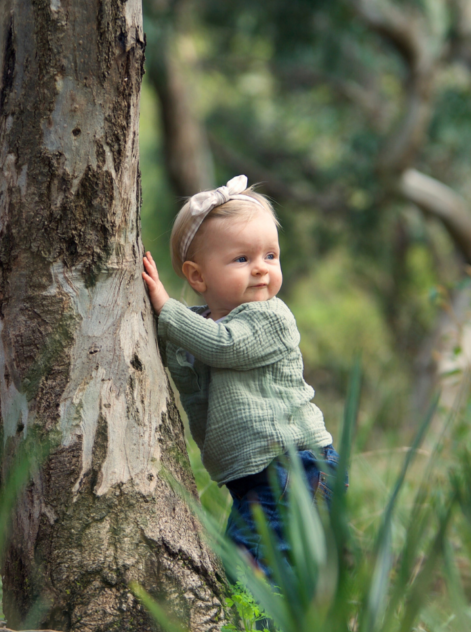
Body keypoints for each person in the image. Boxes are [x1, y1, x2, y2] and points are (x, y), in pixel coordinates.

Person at [141, 175, 345, 581]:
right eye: (242, 259)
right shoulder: (199, 326)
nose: (261, 270)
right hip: (260, 476)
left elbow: (225, 346)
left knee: (254, 564)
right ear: (198, 277)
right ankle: (289, 629)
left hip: (293, 465)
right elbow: (192, 375)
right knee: (257, 557)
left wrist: (167, 308)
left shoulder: (271, 317)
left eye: (271, 255)